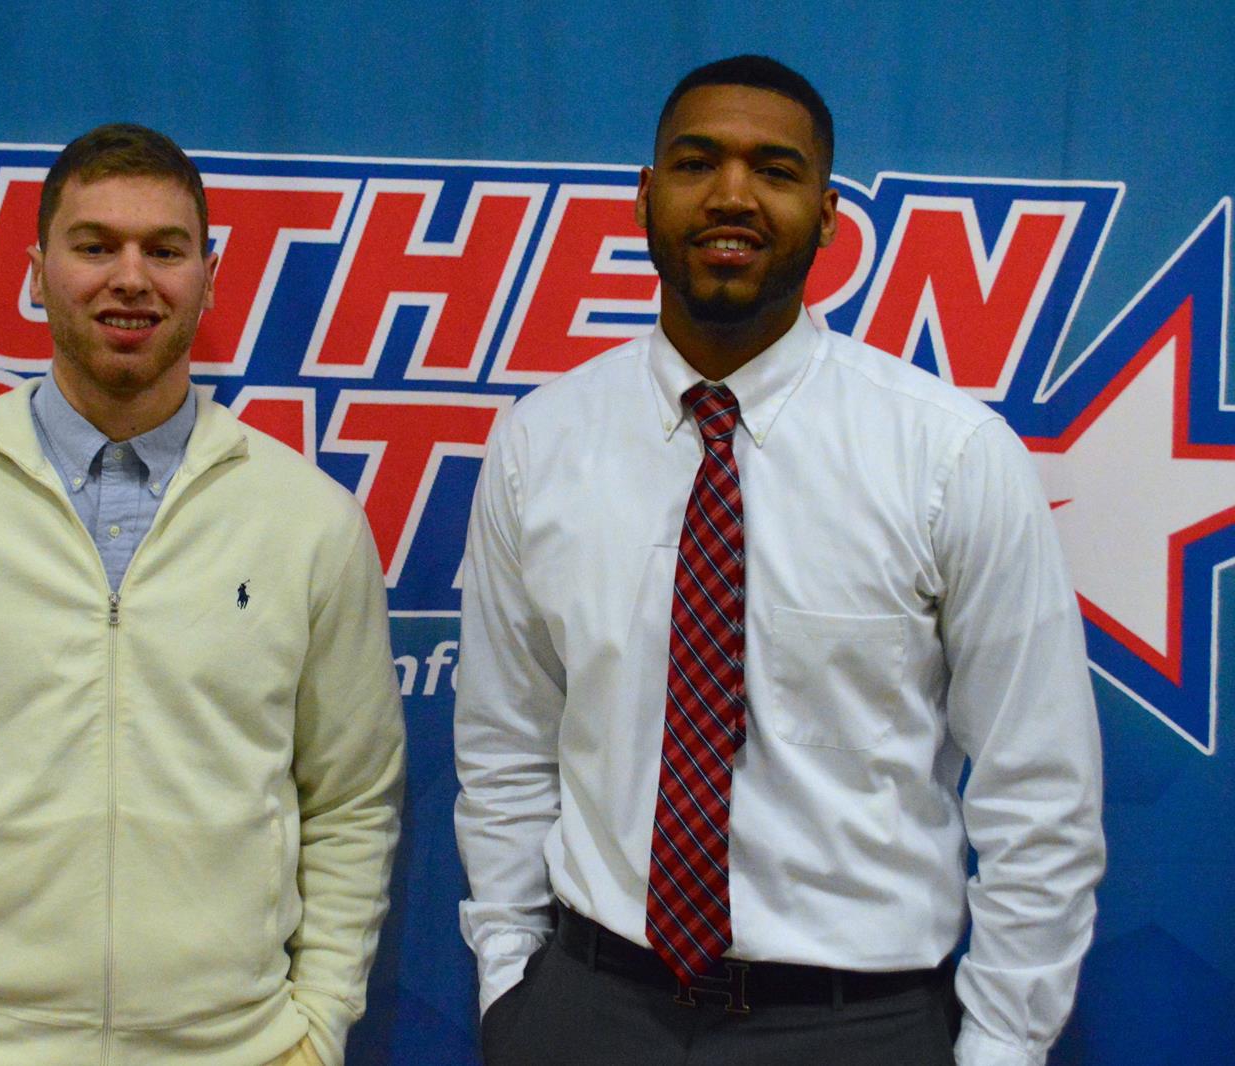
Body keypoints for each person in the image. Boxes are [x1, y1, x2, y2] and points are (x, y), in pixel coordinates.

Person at [455, 56, 1104, 1066]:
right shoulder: (540, 442)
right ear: (643, 197)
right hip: (587, 1012)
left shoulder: (950, 455)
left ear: (828, 214)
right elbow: (504, 741)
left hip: (857, 1025)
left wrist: (1002, 1047)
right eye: (695, 161)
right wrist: (510, 976)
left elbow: (1039, 788)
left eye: (775, 168)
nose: (731, 195)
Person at [0, 123, 405, 1066]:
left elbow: (353, 797)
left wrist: (316, 1030)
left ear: (209, 275)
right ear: (36, 272)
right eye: (94, 246)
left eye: (165, 250)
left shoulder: (308, 520)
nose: (131, 277)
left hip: (235, 1049)